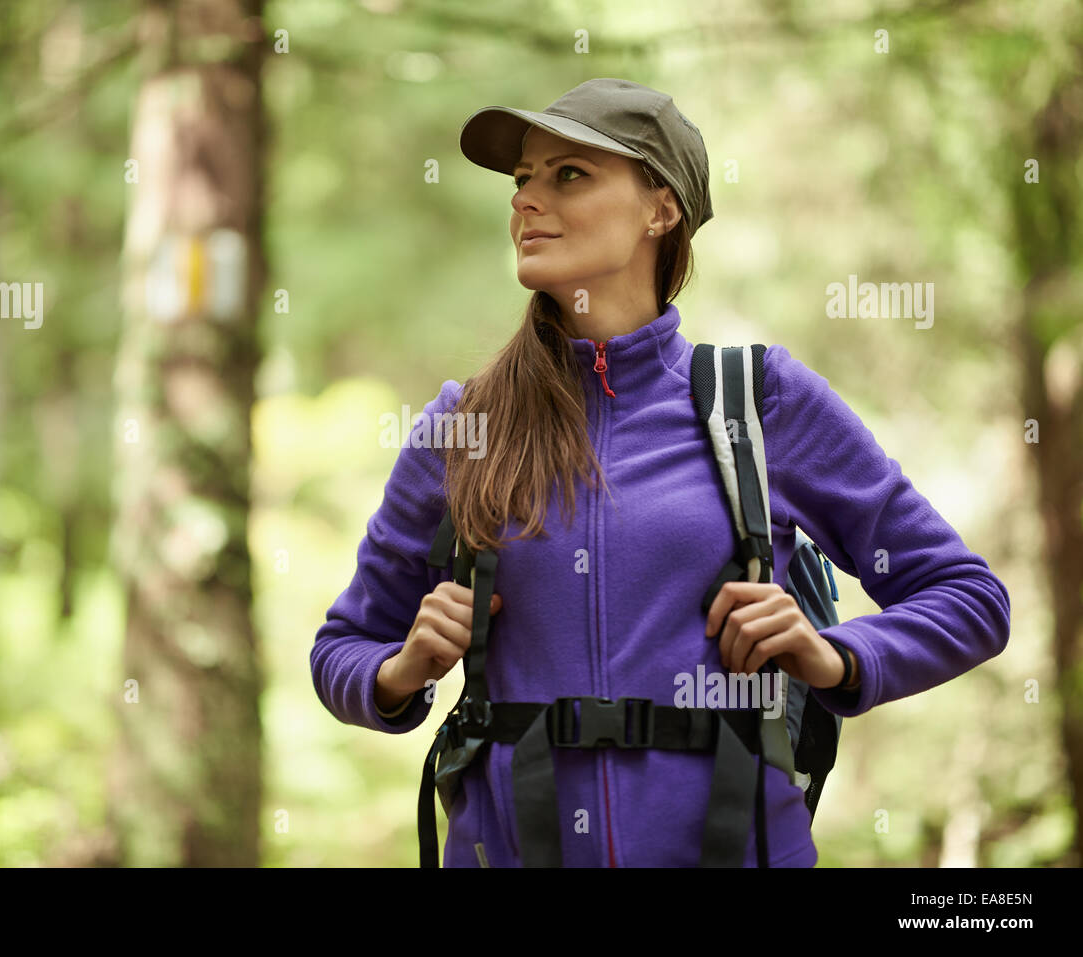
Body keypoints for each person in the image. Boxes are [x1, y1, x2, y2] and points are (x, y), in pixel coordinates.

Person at [309, 78, 1012, 867]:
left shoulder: (760, 400)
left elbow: (970, 600)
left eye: (568, 174)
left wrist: (836, 656)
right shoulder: (463, 426)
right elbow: (342, 648)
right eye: (521, 180)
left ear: (660, 208)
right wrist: (401, 671)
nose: (527, 202)